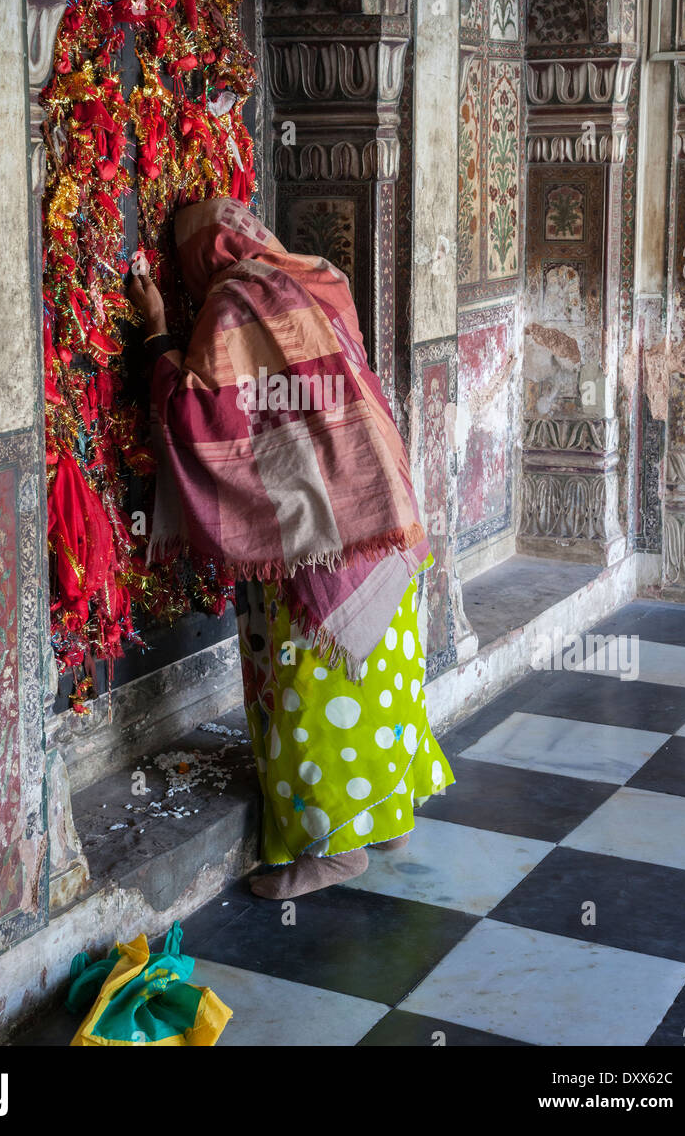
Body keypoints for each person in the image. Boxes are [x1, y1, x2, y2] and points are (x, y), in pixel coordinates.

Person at [126, 197, 453, 899]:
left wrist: (157, 335)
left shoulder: (234, 302)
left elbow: (198, 415)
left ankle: (329, 847)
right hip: (380, 506)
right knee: (382, 675)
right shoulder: (319, 279)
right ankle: (386, 814)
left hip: (311, 536)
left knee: (311, 687)